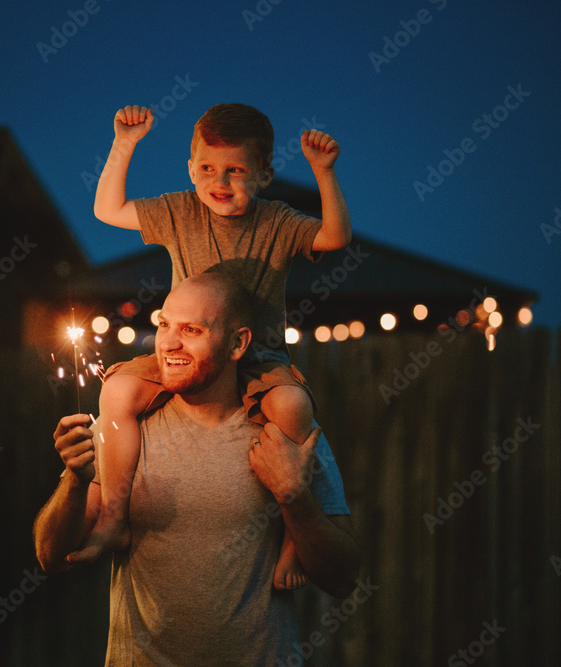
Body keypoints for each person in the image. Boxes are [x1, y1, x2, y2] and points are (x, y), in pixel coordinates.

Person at [78, 102, 352, 590]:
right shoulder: (181, 211)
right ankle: (115, 513)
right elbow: (106, 210)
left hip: (262, 356)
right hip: (187, 351)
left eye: (235, 170)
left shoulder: (277, 221)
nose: (218, 181)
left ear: (264, 174)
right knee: (116, 394)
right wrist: (124, 144)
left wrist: (324, 173)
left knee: (291, 405)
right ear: (190, 169)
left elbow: (334, 236)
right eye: (206, 168)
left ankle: (293, 539)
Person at [34, 274, 359, 666]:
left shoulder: (287, 435)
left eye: (191, 329)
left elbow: (343, 579)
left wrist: (295, 497)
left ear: (237, 344)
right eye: (163, 325)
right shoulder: (124, 429)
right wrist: (74, 480)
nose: (169, 343)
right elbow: (50, 556)